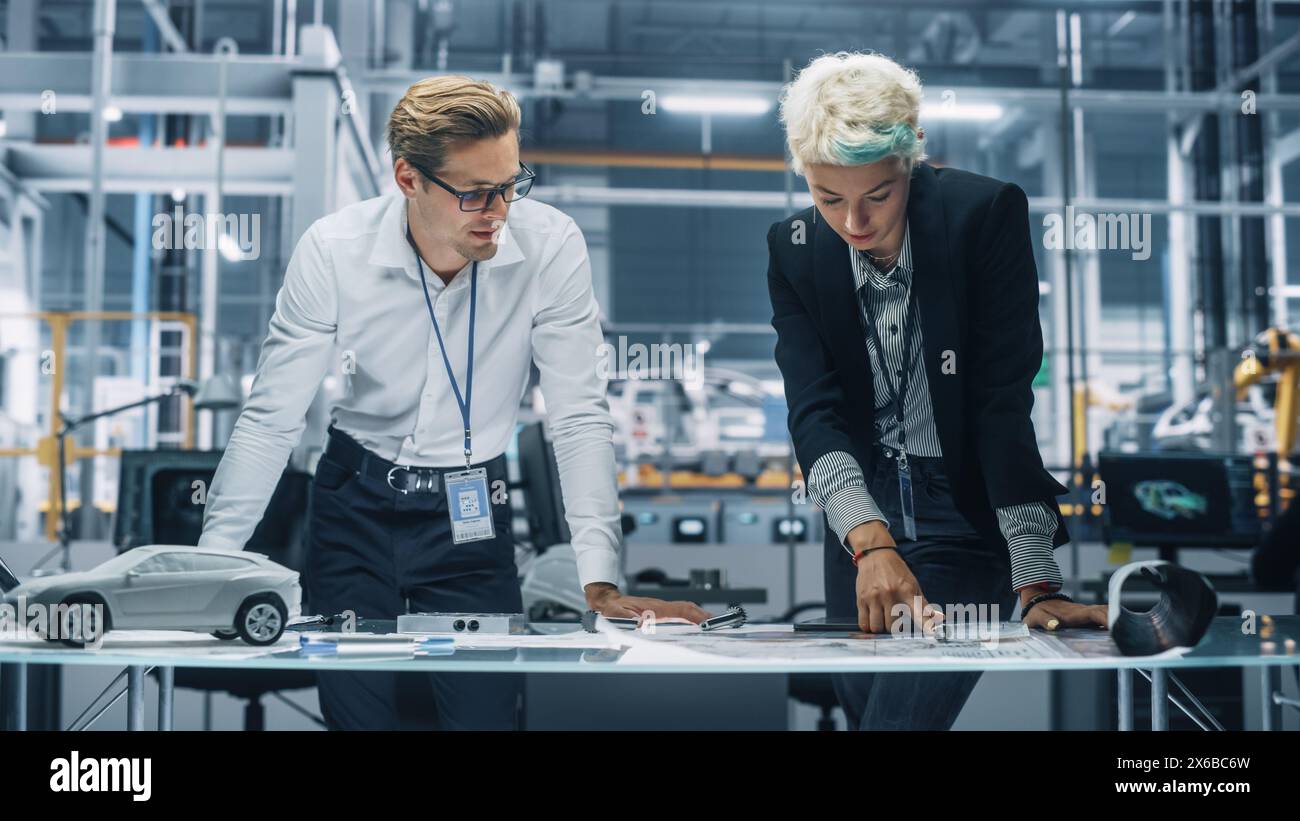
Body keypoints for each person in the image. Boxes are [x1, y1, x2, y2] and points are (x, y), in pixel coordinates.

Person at [199, 75, 707, 730]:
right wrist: (211, 566)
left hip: (473, 510)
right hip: (355, 500)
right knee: (360, 719)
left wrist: (599, 580)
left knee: (486, 712)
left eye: (510, 184)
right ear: (408, 179)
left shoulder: (550, 248)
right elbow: (272, 416)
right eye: (474, 193)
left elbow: (579, 416)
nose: (498, 210)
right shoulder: (334, 251)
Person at [767, 52, 1107, 730]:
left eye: (878, 196)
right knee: (870, 720)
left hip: (961, 516)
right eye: (829, 198)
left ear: (912, 157)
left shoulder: (983, 216)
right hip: (860, 519)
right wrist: (869, 543)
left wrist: (1035, 580)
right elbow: (814, 408)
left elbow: (999, 403)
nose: (854, 224)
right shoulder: (795, 248)